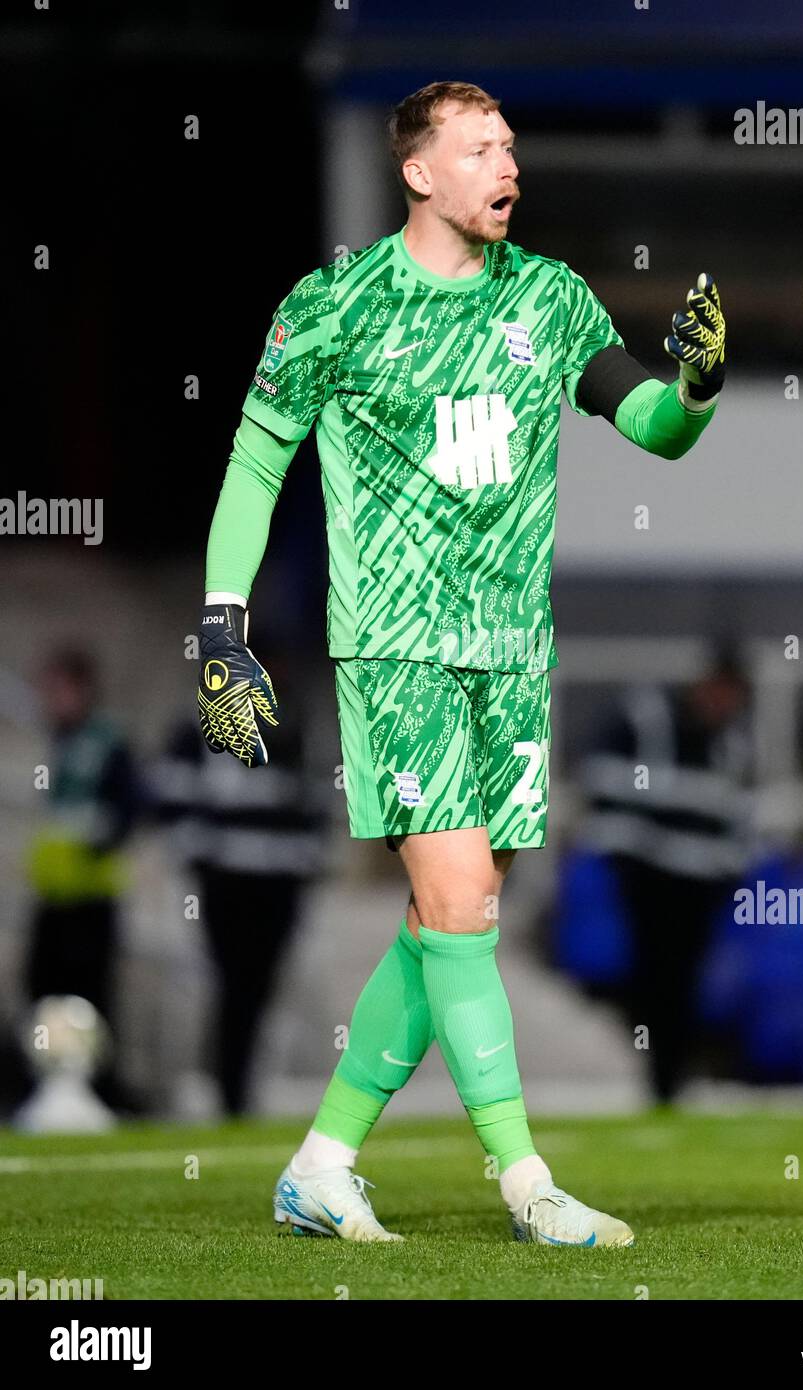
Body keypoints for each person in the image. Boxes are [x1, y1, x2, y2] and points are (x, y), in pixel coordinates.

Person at [196, 80, 725, 1246]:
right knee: (456, 900)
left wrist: (692, 391)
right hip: (395, 645)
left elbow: (650, 429)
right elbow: (253, 461)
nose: (508, 165)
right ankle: (528, 1186)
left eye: (513, 146)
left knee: (454, 913)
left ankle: (322, 1164)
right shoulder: (334, 305)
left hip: (509, 651)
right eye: (481, 147)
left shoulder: (549, 297)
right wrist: (221, 626)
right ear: (418, 171)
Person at [154, 654, 328, 1116]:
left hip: (279, 884)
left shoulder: (295, 721)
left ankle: (237, 1088)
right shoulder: (206, 719)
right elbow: (171, 792)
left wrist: (307, 861)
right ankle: (223, 1087)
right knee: (228, 983)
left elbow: (317, 799)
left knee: (258, 986)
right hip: (225, 880)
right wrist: (195, 854)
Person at [580, 651, 754, 1104]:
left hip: (700, 888)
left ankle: (670, 1081)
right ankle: (656, 1073)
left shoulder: (731, 744)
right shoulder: (647, 719)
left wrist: (727, 873)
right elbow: (600, 780)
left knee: (684, 982)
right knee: (650, 975)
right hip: (648, 878)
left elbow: (736, 818)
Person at [23, 647, 143, 1114]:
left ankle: (95, 1093)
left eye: (58, 687)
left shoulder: (105, 741)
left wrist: (101, 844)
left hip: (91, 896)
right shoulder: (59, 740)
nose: (50, 698)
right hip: (53, 895)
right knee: (40, 990)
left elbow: (131, 804)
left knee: (91, 997)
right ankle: (44, 1086)